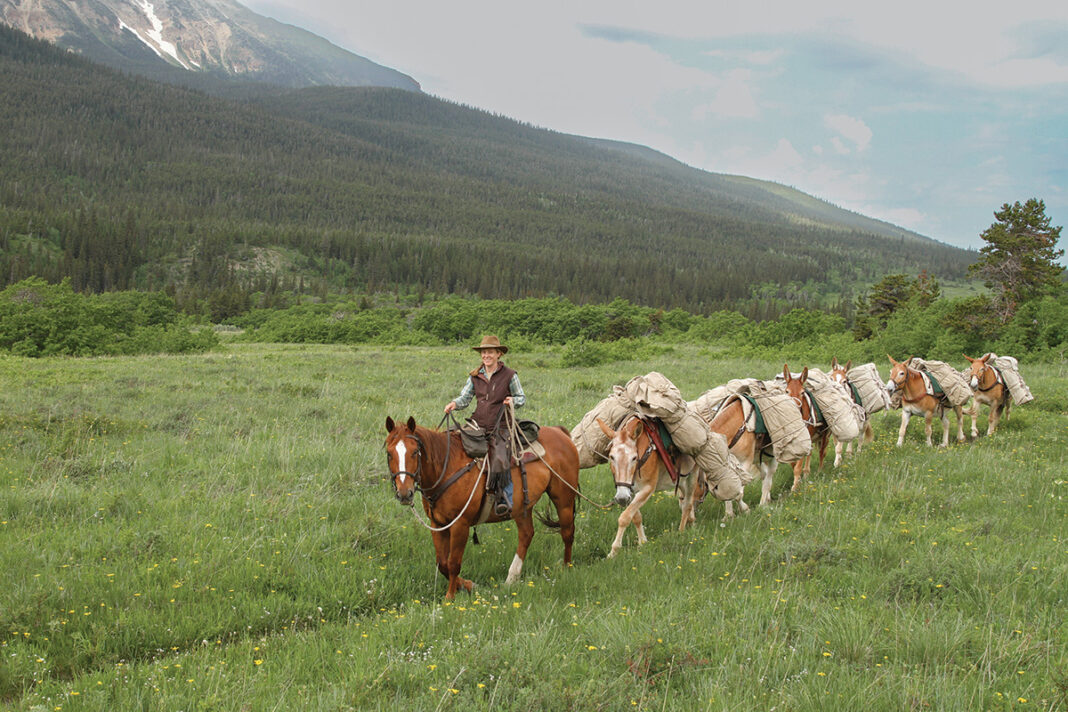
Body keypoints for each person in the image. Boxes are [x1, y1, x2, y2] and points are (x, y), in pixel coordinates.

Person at [444, 335, 526, 516]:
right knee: (451, 442)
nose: (486, 355)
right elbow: (465, 398)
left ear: (498, 354)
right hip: (477, 423)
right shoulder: (475, 375)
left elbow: (522, 398)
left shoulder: (510, 375)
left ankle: (505, 498)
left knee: (499, 458)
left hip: (501, 425)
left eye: (490, 352)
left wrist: (512, 400)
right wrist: (454, 404)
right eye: (483, 352)